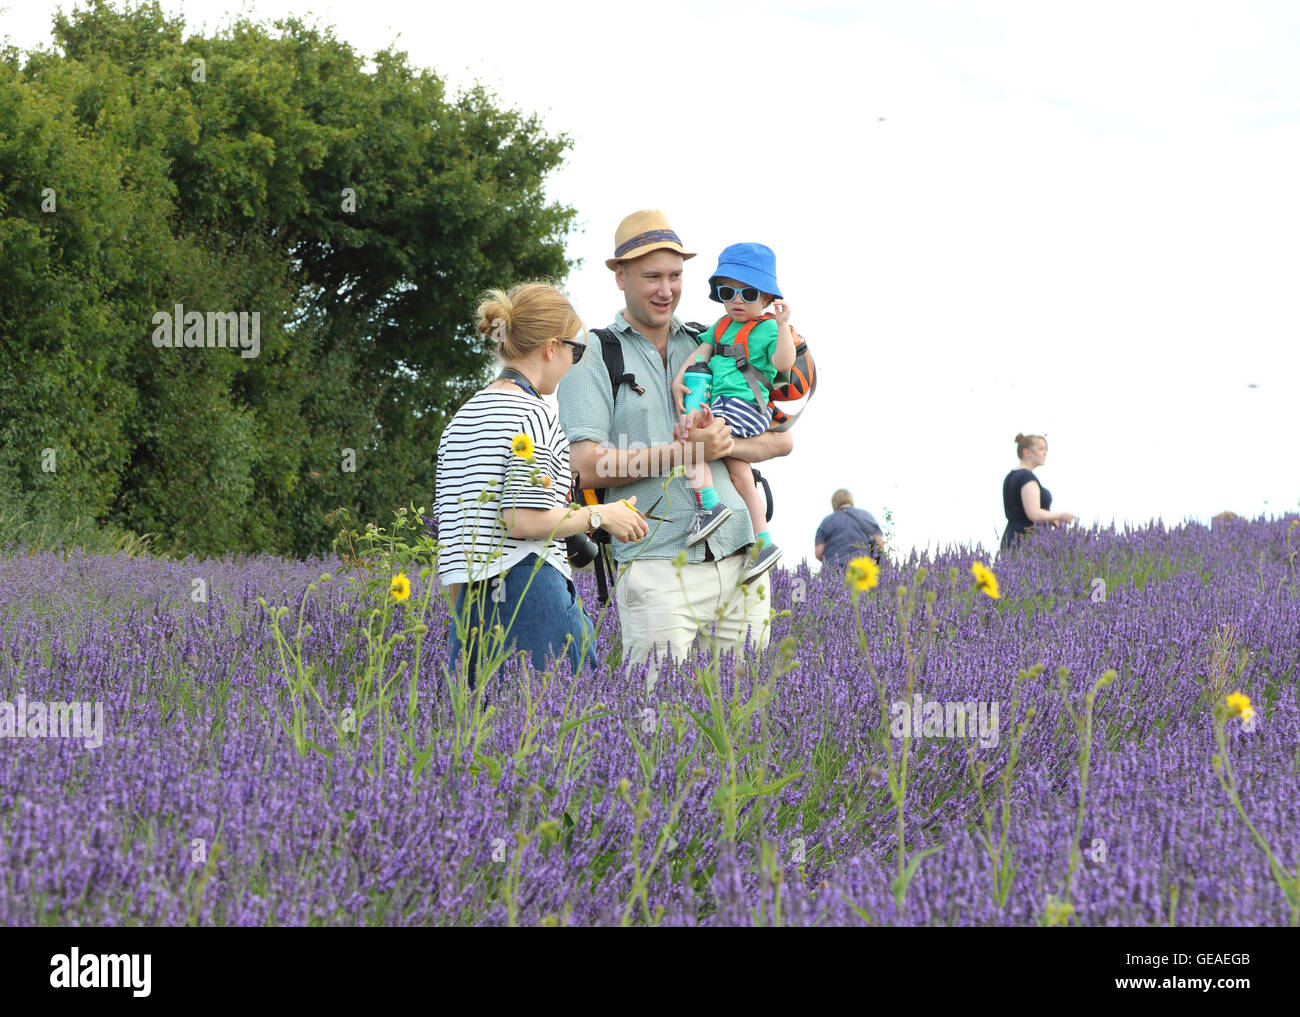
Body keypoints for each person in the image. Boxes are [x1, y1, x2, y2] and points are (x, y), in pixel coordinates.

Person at [557, 210, 793, 681]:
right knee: (656, 724)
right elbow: (582, 467)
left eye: (676, 276)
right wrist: (686, 453)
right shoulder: (593, 356)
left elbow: (780, 440)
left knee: (748, 724)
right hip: (655, 565)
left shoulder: (717, 339)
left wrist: (724, 443)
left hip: (742, 557)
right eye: (652, 277)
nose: (666, 290)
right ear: (620, 276)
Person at [434, 282, 647, 687]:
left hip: (468, 602)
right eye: (576, 350)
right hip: (529, 590)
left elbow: (453, 534)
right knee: (553, 736)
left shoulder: (461, 420)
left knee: (481, 736)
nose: (574, 362)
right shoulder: (534, 414)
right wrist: (602, 515)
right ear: (551, 347)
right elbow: (522, 520)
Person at [670, 243, 794, 584]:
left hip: (747, 405)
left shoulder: (768, 328)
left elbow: (783, 364)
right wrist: (681, 376)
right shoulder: (722, 325)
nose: (737, 299)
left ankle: (709, 504)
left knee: (692, 439)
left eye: (749, 293)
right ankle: (764, 542)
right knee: (742, 477)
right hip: (725, 405)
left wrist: (783, 326)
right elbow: (703, 351)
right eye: (728, 291)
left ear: (767, 298)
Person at [1000, 432, 1076, 551]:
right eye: (1041, 449)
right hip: (1027, 540)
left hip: (1012, 537)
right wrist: (1062, 516)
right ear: (1027, 453)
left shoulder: (1011, 476)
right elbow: (1034, 514)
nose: (1045, 452)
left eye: (1046, 449)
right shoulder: (1026, 477)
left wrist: (1053, 520)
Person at [814, 489, 886, 568]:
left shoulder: (826, 522)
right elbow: (880, 544)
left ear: (834, 503)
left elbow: (819, 553)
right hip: (864, 569)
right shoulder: (867, 516)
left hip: (835, 570)